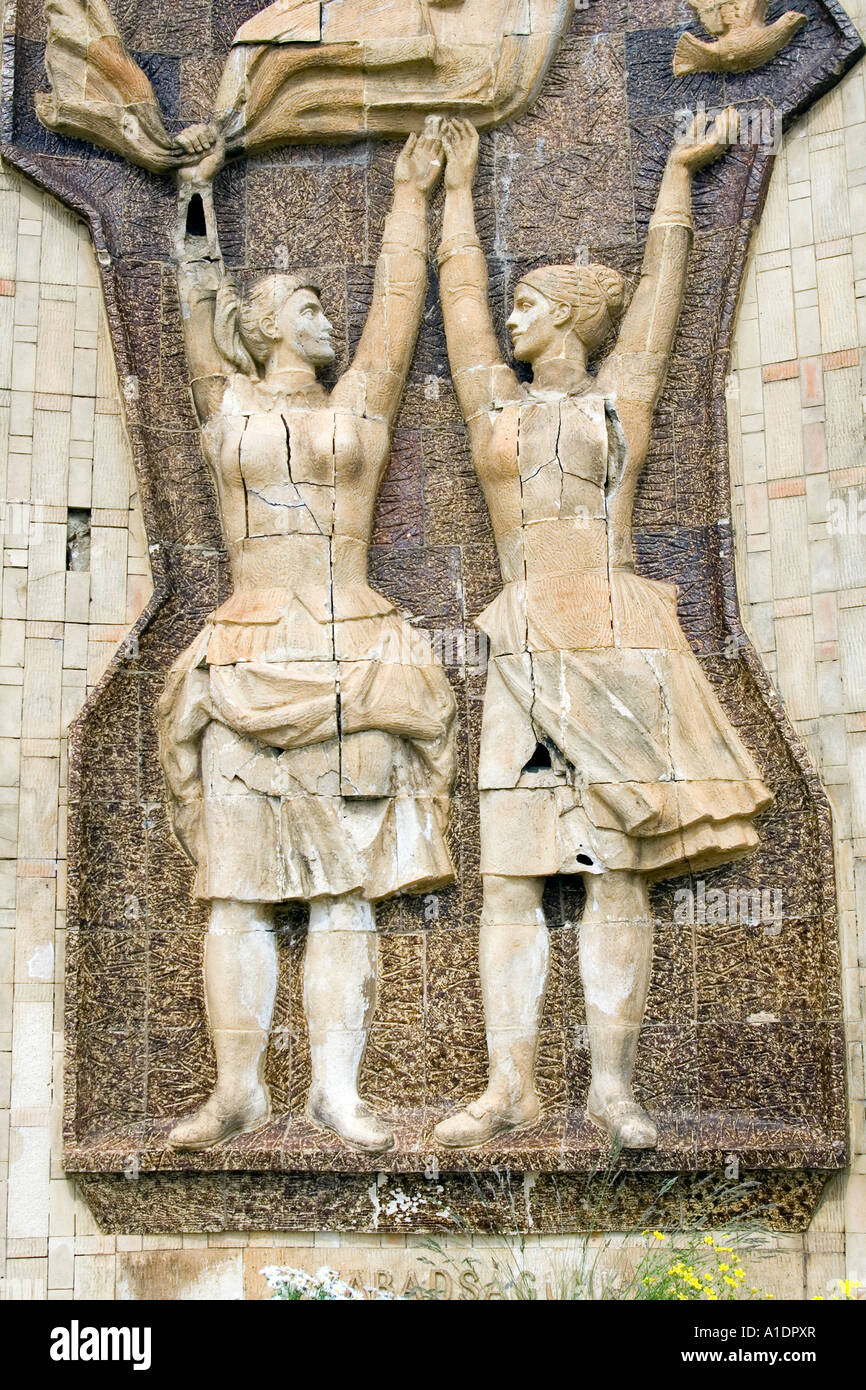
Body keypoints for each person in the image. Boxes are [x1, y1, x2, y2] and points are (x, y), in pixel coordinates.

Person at [432, 113, 773, 1151]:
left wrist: (674, 178)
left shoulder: (620, 393)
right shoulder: (495, 400)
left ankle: (612, 1088)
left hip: (621, 634)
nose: (510, 316)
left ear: (571, 318)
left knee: (615, 868)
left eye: (528, 303)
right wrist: (453, 189)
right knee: (511, 874)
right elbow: (456, 311)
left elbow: (661, 298)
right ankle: (508, 1088)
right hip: (524, 637)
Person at [160, 120, 456, 1154]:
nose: (327, 315)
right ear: (258, 329)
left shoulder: (359, 407)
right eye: (303, 303)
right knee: (234, 887)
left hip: (355, 655)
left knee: (341, 889)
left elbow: (396, 308)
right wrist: (196, 196)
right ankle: (235, 1089)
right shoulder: (226, 400)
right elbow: (194, 299)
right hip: (244, 656)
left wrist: (413, 195)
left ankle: (337, 1092)